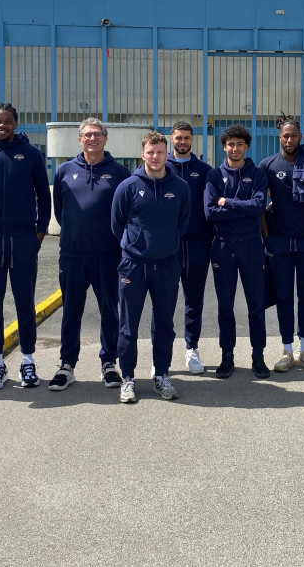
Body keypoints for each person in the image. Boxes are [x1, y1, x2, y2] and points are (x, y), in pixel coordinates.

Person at [0, 103, 51, 391]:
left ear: (16, 124)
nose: (2, 125)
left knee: (24, 304)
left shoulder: (30, 154)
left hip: (22, 241)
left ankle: (28, 360)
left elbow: (44, 194)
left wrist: (39, 234)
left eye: (7, 121)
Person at [49, 118, 131, 391]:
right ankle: (67, 365)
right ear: (79, 139)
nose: (93, 139)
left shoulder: (119, 172)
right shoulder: (64, 171)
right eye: (87, 135)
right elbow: (60, 210)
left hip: (108, 255)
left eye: (97, 134)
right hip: (72, 254)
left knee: (110, 310)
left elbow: (124, 213)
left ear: (105, 139)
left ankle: (109, 363)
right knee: (71, 312)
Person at [111, 132, 191, 404]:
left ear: (167, 153)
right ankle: (128, 378)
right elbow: (116, 223)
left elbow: (183, 223)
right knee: (128, 326)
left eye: (160, 152)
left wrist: (165, 244)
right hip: (133, 264)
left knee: (165, 324)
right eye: (150, 152)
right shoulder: (129, 186)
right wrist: (135, 244)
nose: (155, 157)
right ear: (142, 154)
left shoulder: (180, 187)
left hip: (167, 264)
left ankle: (162, 376)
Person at [205, 125, 270, 379]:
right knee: (225, 306)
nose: (235, 148)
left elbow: (257, 207)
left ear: (246, 146)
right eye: (230, 144)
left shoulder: (257, 174)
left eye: (239, 144)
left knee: (256, 305)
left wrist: (228, 202)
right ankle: (227, 356)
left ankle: (258, 356)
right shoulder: (213, 176)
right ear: (224, 146)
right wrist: (239, 208)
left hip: (252, 245)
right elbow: (210, 212)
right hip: (222, 246)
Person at [259, 115, 304, 373]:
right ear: (279, 138)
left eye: (294, 135)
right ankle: (286, 350)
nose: (289, 139)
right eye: (285, 135)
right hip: (280, 242)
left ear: (300, 136)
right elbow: (261, 206)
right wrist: (267, 238)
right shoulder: (268, 165)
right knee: (284, 297)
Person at [167, 121, 214, 375]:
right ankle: (159, 355)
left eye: (186, 138)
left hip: (197, 244)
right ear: (171, 139)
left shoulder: (204, 170)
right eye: (178, 138)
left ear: (192, 140)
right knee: (164, 301)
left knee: (194, 300)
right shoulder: (161, 168)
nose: (182, 142)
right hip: (167, 247)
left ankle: (191, 348)